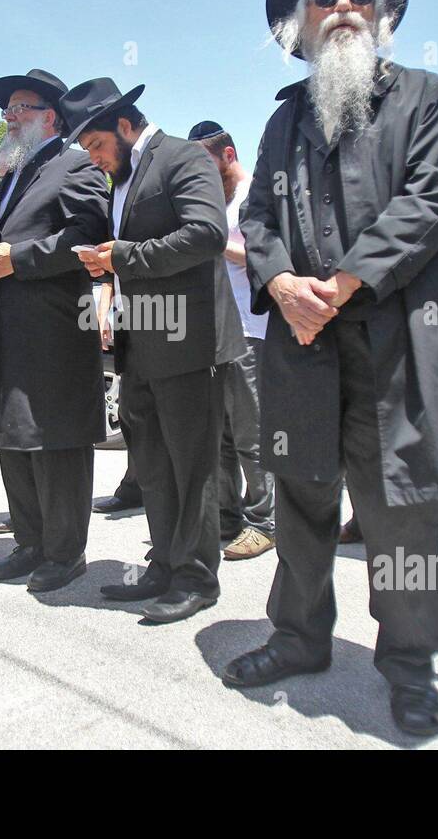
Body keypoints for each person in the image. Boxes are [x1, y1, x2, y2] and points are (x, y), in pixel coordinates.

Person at [230, 0, 438, 737]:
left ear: (384, 12)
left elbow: (433, 194)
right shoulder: (283, 123)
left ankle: (410, 666)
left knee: (402, 515)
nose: (345, 6)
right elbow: (255, 216)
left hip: (399, 343)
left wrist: (346, 280)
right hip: (304, 343)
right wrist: (283, 282)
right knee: (301, 504)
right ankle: (297, 637)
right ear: (301, 23)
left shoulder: (425, 96)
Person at [66, 78, 246, 623]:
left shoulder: (183, 157)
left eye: (97, 146)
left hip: (189, 343)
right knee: (153, 464)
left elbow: (207, 234)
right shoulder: (121, 178)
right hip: (139, 339)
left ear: (124, 126)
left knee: (193, 465)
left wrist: (122, 255)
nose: (96, 161)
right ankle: (164, 565)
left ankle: (196, 578)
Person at [0, 69, 110, 591]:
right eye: (6, 110)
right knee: (15, 438)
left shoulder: (75, 165)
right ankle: (29, 541)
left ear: (50, 116)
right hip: (11, 327)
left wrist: (20, 261)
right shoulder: (11, 174)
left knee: (58, 442)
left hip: (56, 331)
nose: (9, 118)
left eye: (19, 108)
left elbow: (88, 236)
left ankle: (64, 551)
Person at [188, 120, 277, 560]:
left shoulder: (257, 195)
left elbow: (270, 259)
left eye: (206, 165)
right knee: (216, 433)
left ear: (228, 154)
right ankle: (226, 516)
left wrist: (214, 241)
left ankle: (265, 521)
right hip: (212, 332)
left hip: (251, 330)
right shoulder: (211, 200)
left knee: (251, 431)